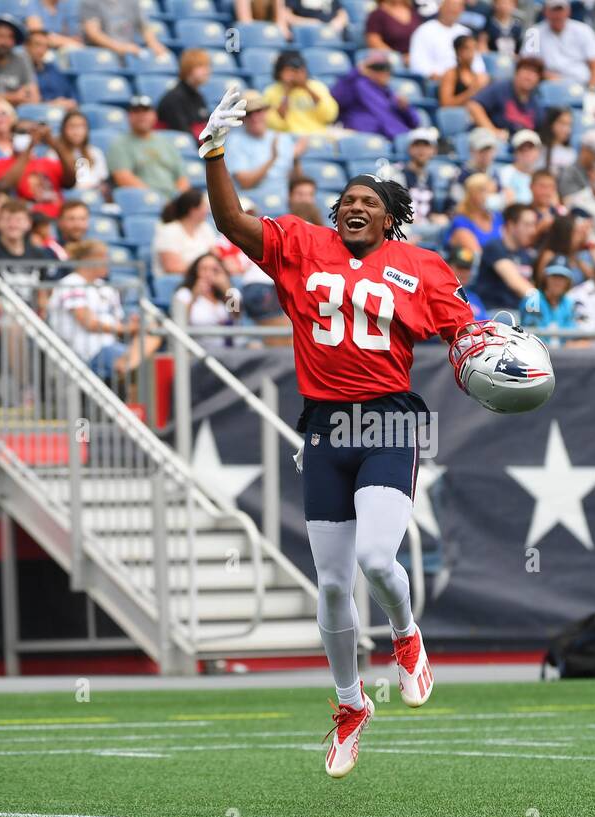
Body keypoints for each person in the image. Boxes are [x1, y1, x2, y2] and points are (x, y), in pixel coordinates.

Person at [199, 86, 491, 778]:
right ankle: (349, 704)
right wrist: (213, 151)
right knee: (330, 587)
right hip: (325, 427)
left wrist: (490, 346)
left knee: (380, 562)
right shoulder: (302, 244)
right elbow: (231, 219)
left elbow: (464, 331)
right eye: (347, 200)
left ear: (392, 219)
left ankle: (406, 634)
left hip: (388, 418)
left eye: (370, 202)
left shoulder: (419, 266)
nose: (356, 206)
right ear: (335, 214)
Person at [48, 238, 140, 380]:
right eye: (103, 257)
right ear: (87, 260)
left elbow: (119, 321)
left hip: (112, 346)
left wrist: (133, 324)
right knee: (141, 366)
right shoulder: (71, 283)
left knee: (153, 333)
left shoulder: (105, 287)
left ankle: (127, 365)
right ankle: (128, 365)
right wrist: (126, 328)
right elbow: (89, 324)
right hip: (86, 351)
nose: (108, 262)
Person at [0, 198, 58, 311]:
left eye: (18, 220)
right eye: (8, 219)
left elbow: (43, 293)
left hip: (30, 317)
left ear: (28, 223)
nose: (13, 225)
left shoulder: (38, 253)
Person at [0, 120, 78, 219]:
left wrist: (53, 143)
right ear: (11, 136)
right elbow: (5, 186)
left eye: (31, 132)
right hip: (23, 220)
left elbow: (71, 181)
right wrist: (30, 146)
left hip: (56, 219)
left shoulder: (48, 163)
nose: (29, 135)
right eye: (22, 132)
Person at [224, 89, 307, 191]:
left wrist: (295, 158)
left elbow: (295, 180)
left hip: (283, 196)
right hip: (253, 198)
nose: (254, 117)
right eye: (249, 113)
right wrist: (272, 159)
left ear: (265, 112)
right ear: (242, 118)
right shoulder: (234, 141)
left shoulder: (282, 138)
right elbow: (245, 183)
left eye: (258, 111)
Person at [108, 96, 189, 197]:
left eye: (146, 111)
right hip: (143, 201)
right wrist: (156, 198)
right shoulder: (119, 145)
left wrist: (179, 199)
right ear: (129, 116)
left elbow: (182, 177)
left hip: (173, 202)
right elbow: (123, 178)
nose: (142, 115)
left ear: (154, 115)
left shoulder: (166, 143)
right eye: (136, 111)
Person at [466, 202, 536, 314]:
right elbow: (516, 283)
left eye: (534, 225)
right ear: (511, 225)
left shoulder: (526, 255)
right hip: (494, 314)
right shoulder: (494, 248)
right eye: (527, 225)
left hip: (518, 314)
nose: (532, 231)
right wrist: (544, 304)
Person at [331, 51, 421, 138]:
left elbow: (415, 123)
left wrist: (405, 109)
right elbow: (337, 99)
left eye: (387, 68)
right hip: (368, 138)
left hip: (394, 136)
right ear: (368, 68)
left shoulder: (391, 94)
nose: (384, 72)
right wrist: (356, 72)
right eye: (378, 68)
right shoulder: (356, 84)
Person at [529, 0, 595, 89]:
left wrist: (592, 90)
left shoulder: (584, 30)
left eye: (560, 10)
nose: (557, 15)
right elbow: (528, 65)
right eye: (553, 10)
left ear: (568, 11)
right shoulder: (534, 32)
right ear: (546, 12)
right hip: (547, 86)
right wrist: (544, 75)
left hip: (581, 86)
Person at [467, 54, 543, 137]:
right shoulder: (501, 88)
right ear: (516, 73)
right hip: (492, 141)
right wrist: (492, 130)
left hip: (520, 144)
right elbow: (474, 105)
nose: (529, 77)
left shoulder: (536, 102)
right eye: (526, 70)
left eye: (534, 73)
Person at [411, 0, 487, 82]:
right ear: (440, 7)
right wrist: (436, 75)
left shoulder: (465, 32)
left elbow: (478, 65)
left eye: (458, 6)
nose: (454, 9)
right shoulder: (424, 30)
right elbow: (418, 64)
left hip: (467, 81)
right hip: (438, 82)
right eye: (451, 6)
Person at [265, 51, 338, 134]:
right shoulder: (272, 91)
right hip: (289, 137)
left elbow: (330, 115)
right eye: (290, 70)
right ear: (280, 72)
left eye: (298, 70)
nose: (295, 74)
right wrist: (286, 92)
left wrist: (306, 87)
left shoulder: (317, 87)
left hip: (317, 135)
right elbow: (273, 123)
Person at [171, 252, 235, 349]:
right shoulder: (184, 294)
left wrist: (227, 290)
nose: (209, 274)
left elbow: (236, 317)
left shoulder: (229, 293)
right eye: (204, 269)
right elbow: (180, 321)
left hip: (227, 349)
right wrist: (194, 297)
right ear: (195, 271)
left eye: (215, 270)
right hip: (199, 349)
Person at [153, 188, 218, 277]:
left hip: (203, 278)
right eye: (204, 206)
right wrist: (206, 270)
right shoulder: (168, 231)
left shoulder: (205, 228)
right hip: (179, 282)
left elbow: (216, 257)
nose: (207, 210)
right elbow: (172, 267)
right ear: (192, 210)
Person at [78, 0, 169, 60]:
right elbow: (93, 33)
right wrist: (120, 47)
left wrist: (153, 43)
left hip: (128, 53)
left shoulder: (132, 1)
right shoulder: (90, 2)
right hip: (102, 54)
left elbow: (144, 26)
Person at [156, 48, 211, 139]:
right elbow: (183, 132)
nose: (207, 71)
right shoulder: (174, 98)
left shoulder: (199, 96)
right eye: (201, 66)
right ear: (188, 68)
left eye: (208, 66)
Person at [521, 255, 577, 338]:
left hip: (565, 350)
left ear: (568, 281)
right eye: (554, 276)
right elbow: (530, 337)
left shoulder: (569, 303)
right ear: (546, 278)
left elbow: (573, 335)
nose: (557, 282)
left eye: (562, 277)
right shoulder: (532, 300)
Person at [400, 127, 447, 227]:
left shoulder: (431, 177)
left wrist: (437, 217)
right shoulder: (398, 174)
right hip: (404, 227)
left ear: (434, 150)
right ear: (409, 149)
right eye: (417, 145)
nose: (421, 149)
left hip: (426, 228)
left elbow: (431, 211)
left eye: (426, 145)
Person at [446, 172, 503, 253]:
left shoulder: (499, 218)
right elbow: (478, 255)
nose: (493, 197)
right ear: (475, 195)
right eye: (489, 192)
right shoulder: (461, 222)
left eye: (494, 192)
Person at [26, 28, 76, 109]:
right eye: (37, 45)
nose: (41, 50)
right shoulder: (22, 72)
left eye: (45, 46)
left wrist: (69, 103)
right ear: (27, 46)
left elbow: (70, 97)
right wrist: (51, 104)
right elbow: (27, 103)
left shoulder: (54, 69)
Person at [60, 110, 108, 191]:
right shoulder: (55, 153)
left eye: (81, 126)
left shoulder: (95, 152)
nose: (76, 131)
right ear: (64, 129)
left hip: (93, 195)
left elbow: (102, 180)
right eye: (72, 126)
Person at [438, 34, 489, 107]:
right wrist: (472, 91)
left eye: (474, 48)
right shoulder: (451, 74)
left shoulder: (477, 75)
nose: (472, 53)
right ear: (459, 51)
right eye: (468, 49)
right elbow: (445, 103)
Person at [496, 129, 542, 205]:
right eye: (522, 149)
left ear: (538, 152)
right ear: (515, 152)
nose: (527, 153)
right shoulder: (505, 172)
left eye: (531, 148)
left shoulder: (541, 176)